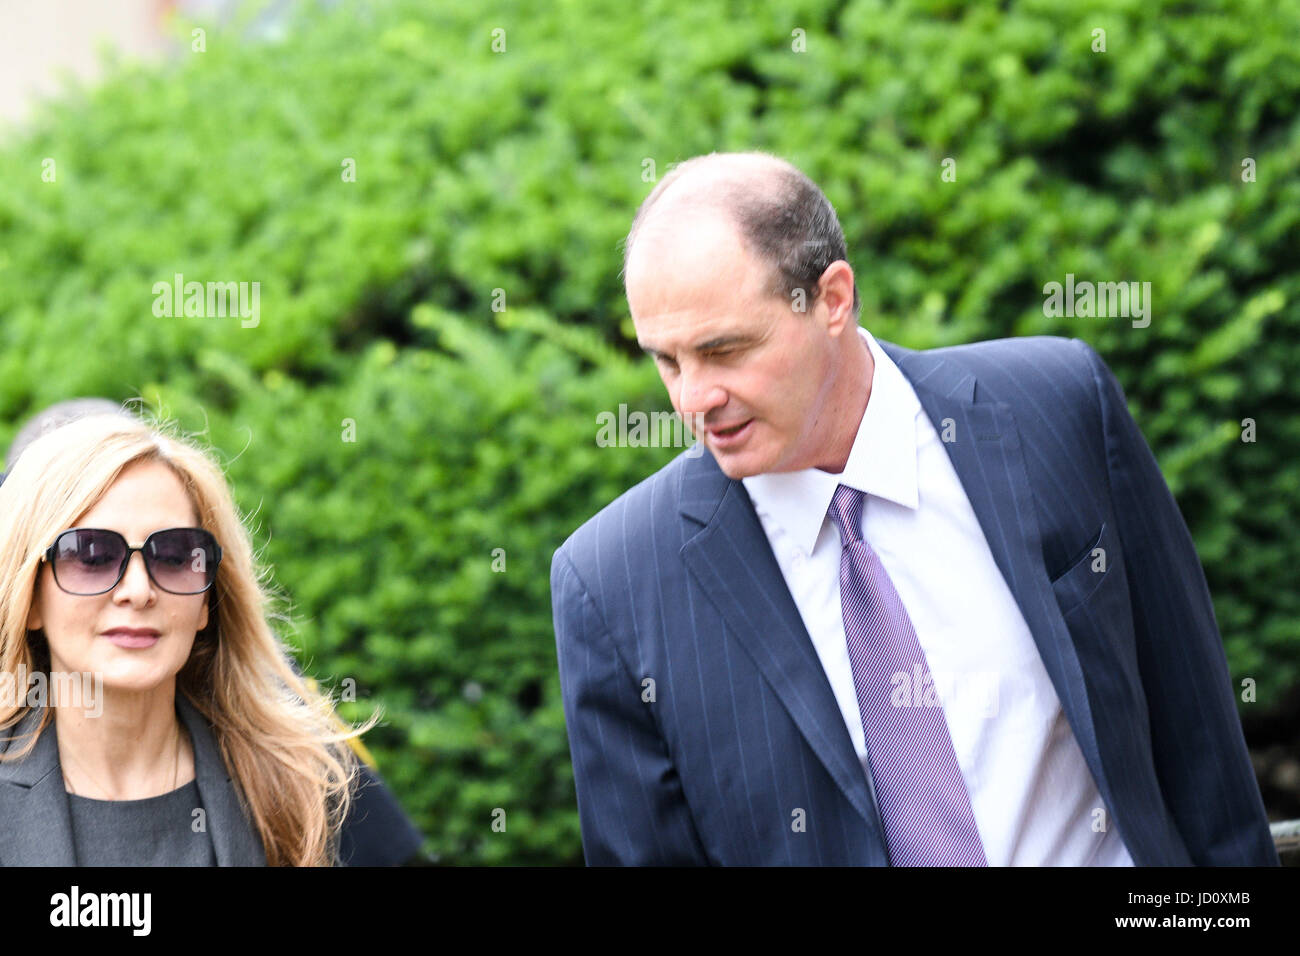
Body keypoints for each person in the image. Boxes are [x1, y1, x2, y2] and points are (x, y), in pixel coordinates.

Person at [550, 151, 1279, 866]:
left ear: (831, 299)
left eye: (726, 349)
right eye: (666, 360)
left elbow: (1201, 749)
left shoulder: (1056, 409)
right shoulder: (612, 580)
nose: (692, 400)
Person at [0, 400, 426, 866]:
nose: (139, 591)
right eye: (91, 555)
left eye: (176, 555)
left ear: (206, 599)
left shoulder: (300, 779)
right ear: (31, 598)